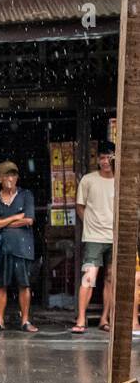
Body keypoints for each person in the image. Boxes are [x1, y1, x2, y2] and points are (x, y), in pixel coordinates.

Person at [0, 160, 38, 334]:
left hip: (23, 248)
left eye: (13, 175)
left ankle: (25, 321)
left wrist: (3, 222)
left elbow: (29, 220)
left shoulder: (26, 195)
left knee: (24, 285)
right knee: (1, 285)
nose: (10, 178)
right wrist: (15, 218)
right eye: (7, 175)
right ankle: (0, 321)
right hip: (3, 248)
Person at [73, 143, 115, 334]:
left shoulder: (120, 180)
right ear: (97, 159)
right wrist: (89, 223)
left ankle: (104, 318)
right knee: (89, 277)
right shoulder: (88, 180)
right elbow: (80, 206)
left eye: (109, 157)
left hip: (116, 236)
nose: (105, 161)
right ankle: (81, 319)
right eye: (102, 157)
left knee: (111, 278)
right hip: (93, 237)